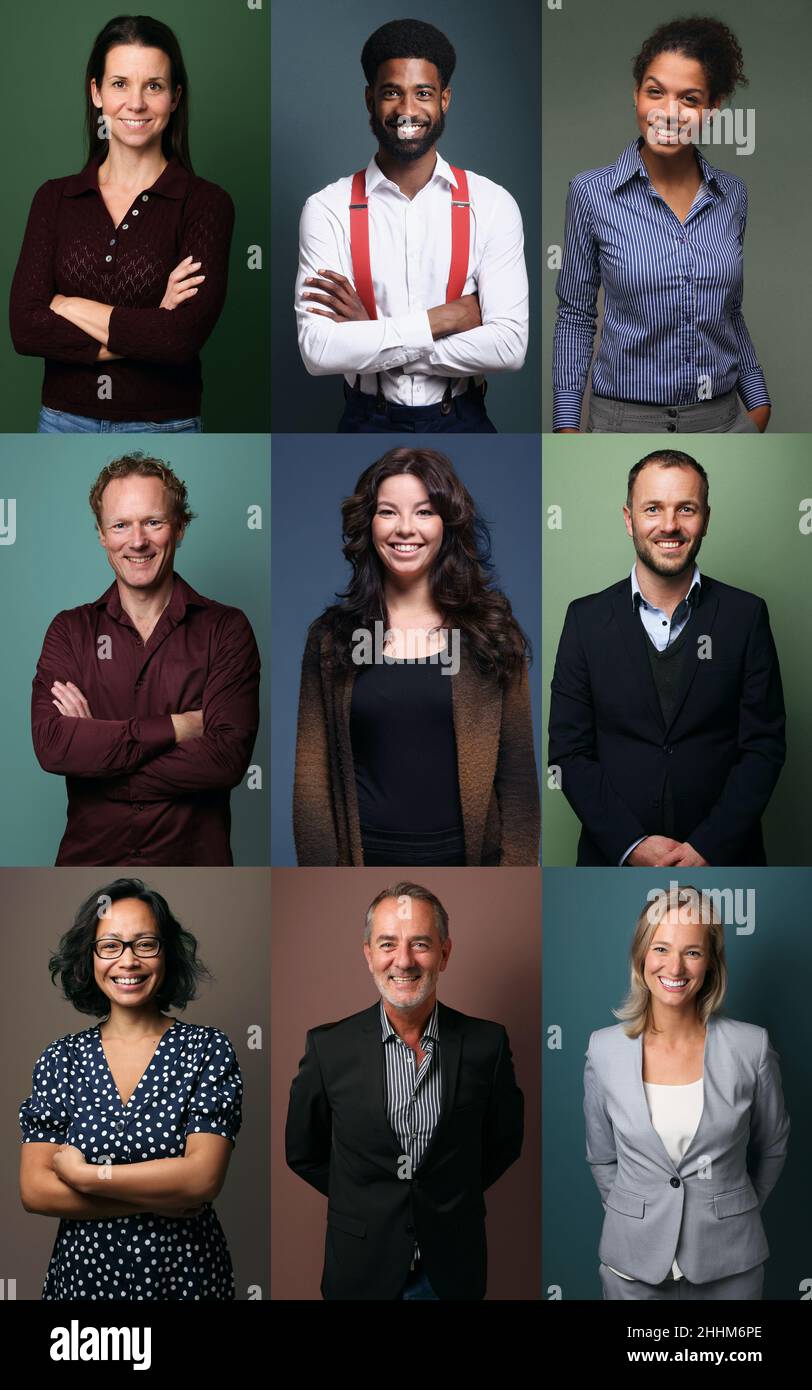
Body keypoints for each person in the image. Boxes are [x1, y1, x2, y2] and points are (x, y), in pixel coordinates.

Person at [293, 447, 539, 866]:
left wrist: (511, 876)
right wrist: (323, 877)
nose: (405, 529)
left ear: (449, 524)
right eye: (388, 512)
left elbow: (517, 778)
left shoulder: (491, 635)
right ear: (367, 525)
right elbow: (311, 783)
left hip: (470, 865)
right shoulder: (331, 638)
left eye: (424, 512)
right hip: (362, 863)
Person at [285, 881, 524, 1300]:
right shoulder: (328, 1048)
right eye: (388, 944)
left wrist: (443, 1196)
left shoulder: (488, 1044)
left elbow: (504, 1144)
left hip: (451, 1271)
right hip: (360, 1269)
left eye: (420, 944)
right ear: (368, 955)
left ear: (444, 953)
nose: (404, 961)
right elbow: (303, 1152)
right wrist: (366, 1199)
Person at [548, 450, 785, 866]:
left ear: (706, 519)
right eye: (653, 508)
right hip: (612, 863)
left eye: (686, 509)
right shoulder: (584, 620)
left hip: (727, 862)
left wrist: (710, 846)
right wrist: (630, 844)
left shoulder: (746, 616)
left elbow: (763, 747)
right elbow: (569, 754)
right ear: (629, 519)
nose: (669, 525)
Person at [295, 18, 529, 433]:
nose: (407, 110)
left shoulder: (492, 204)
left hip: (462, 418)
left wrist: (371, 335)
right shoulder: (327, 208)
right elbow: (319, 352)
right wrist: (444, 319)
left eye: (423, 93)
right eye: (392, 93)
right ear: (370, 100)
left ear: (445, 99)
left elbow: (509, 348)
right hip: (366, 418)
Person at [31, 453, 260, 866]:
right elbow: (53, 749)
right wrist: (179, 726)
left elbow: (225, 761)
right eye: (120, 525)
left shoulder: (226, 629)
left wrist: (99, 755)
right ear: (102, 534)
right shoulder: (69, 631)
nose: (137, 541)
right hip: (87, 867)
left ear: (181, 527)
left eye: (153, 522)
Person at [19, 878, 242, 1300]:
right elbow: (35, 1190)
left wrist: (85, 1176)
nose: (128, 961)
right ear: (90, 957)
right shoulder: (60, 1059)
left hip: (186, 1278)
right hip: (83, 1282)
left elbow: (202, 1179)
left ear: (166, 953)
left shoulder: (207, 1049)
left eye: (145, 944)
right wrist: (154, 1201)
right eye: (111, 946)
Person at [10, 15, 234, 433]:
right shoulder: (54, 198)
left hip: (166, 425)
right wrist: (152, 321)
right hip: (61, 423)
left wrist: (68, 305)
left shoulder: (206, 203)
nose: (136, 103)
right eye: (119, 84)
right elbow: (25, 328)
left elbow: (180, 339)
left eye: (154, 85)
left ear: (174, 97)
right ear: (96, 92)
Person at [553, 17, 769, 434]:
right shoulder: (591, 193)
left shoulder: (732, 197)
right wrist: (566, 425)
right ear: (636, 94)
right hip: (623, 421)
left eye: (689, 99)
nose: (669, 113)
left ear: (712, 108)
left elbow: (731, 313)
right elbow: (576, 314)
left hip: (721, 420)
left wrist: (758, 405)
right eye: (655, 92)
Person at [584, 884, 789, 1301]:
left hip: (731, 1266)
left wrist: (734, 1209)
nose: (675, 967)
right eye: (661, 948)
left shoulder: (752, 1046)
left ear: (711, 963)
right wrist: (639, 1218)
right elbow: (602, 1156)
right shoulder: (603, 1049)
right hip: (631, 1269)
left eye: (692, 952)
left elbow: (773, 1147)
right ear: (641, 956)